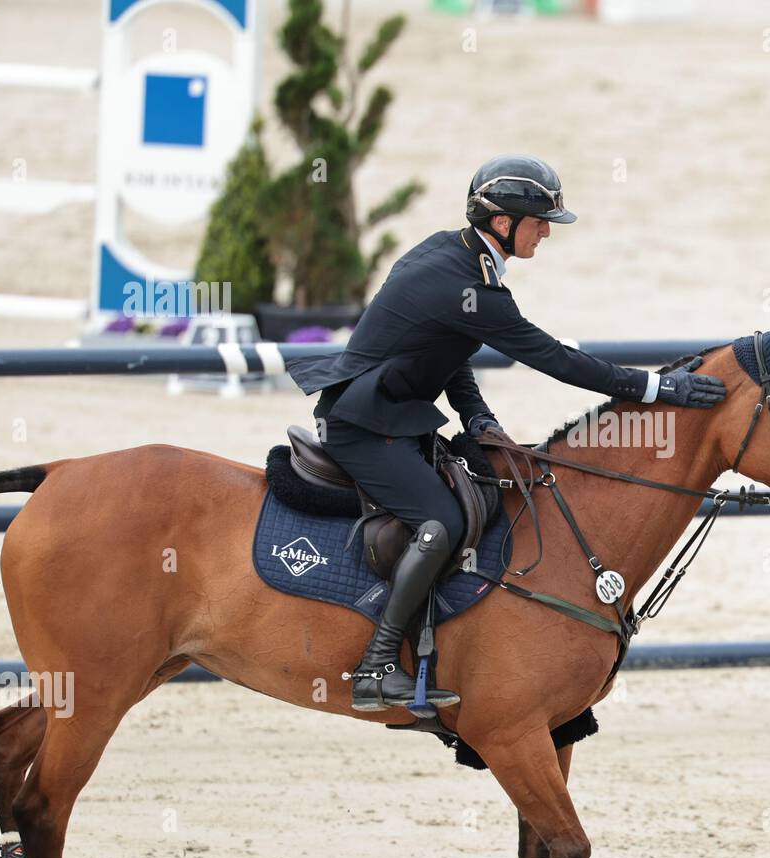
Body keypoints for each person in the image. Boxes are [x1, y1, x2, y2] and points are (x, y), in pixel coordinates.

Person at [286, 154, 727, 712]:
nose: (546, 233)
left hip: (394, 415)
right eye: (540, 222)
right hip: (363, 426)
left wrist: (478, 418)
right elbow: (552, 357)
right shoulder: (464, 281)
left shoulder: (458, 258)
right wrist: (656, 390)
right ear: (501, 223)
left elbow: (449, 350)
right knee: (441, 522)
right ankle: (375, 667)